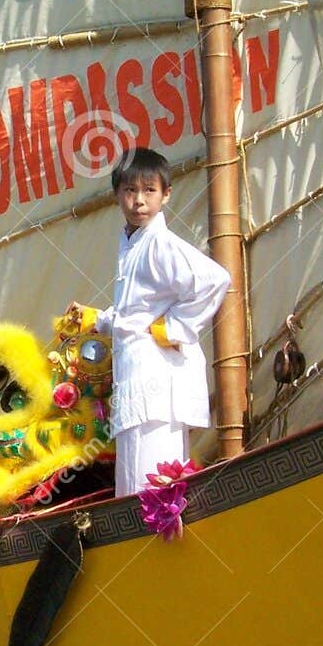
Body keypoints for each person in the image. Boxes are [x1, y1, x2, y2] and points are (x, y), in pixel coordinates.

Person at [68, 148, 231, 496]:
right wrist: (99, 319)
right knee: (135, 486)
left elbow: (214, 280)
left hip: (156, 386)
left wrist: (174, 328)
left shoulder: (160, 244)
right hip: (137, 386)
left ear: (165, 194)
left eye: (149, 190)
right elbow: (135, 315)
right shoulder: (131, 244)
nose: (138, 200)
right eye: (129, 190)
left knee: (152, 488)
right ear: (116, 194)